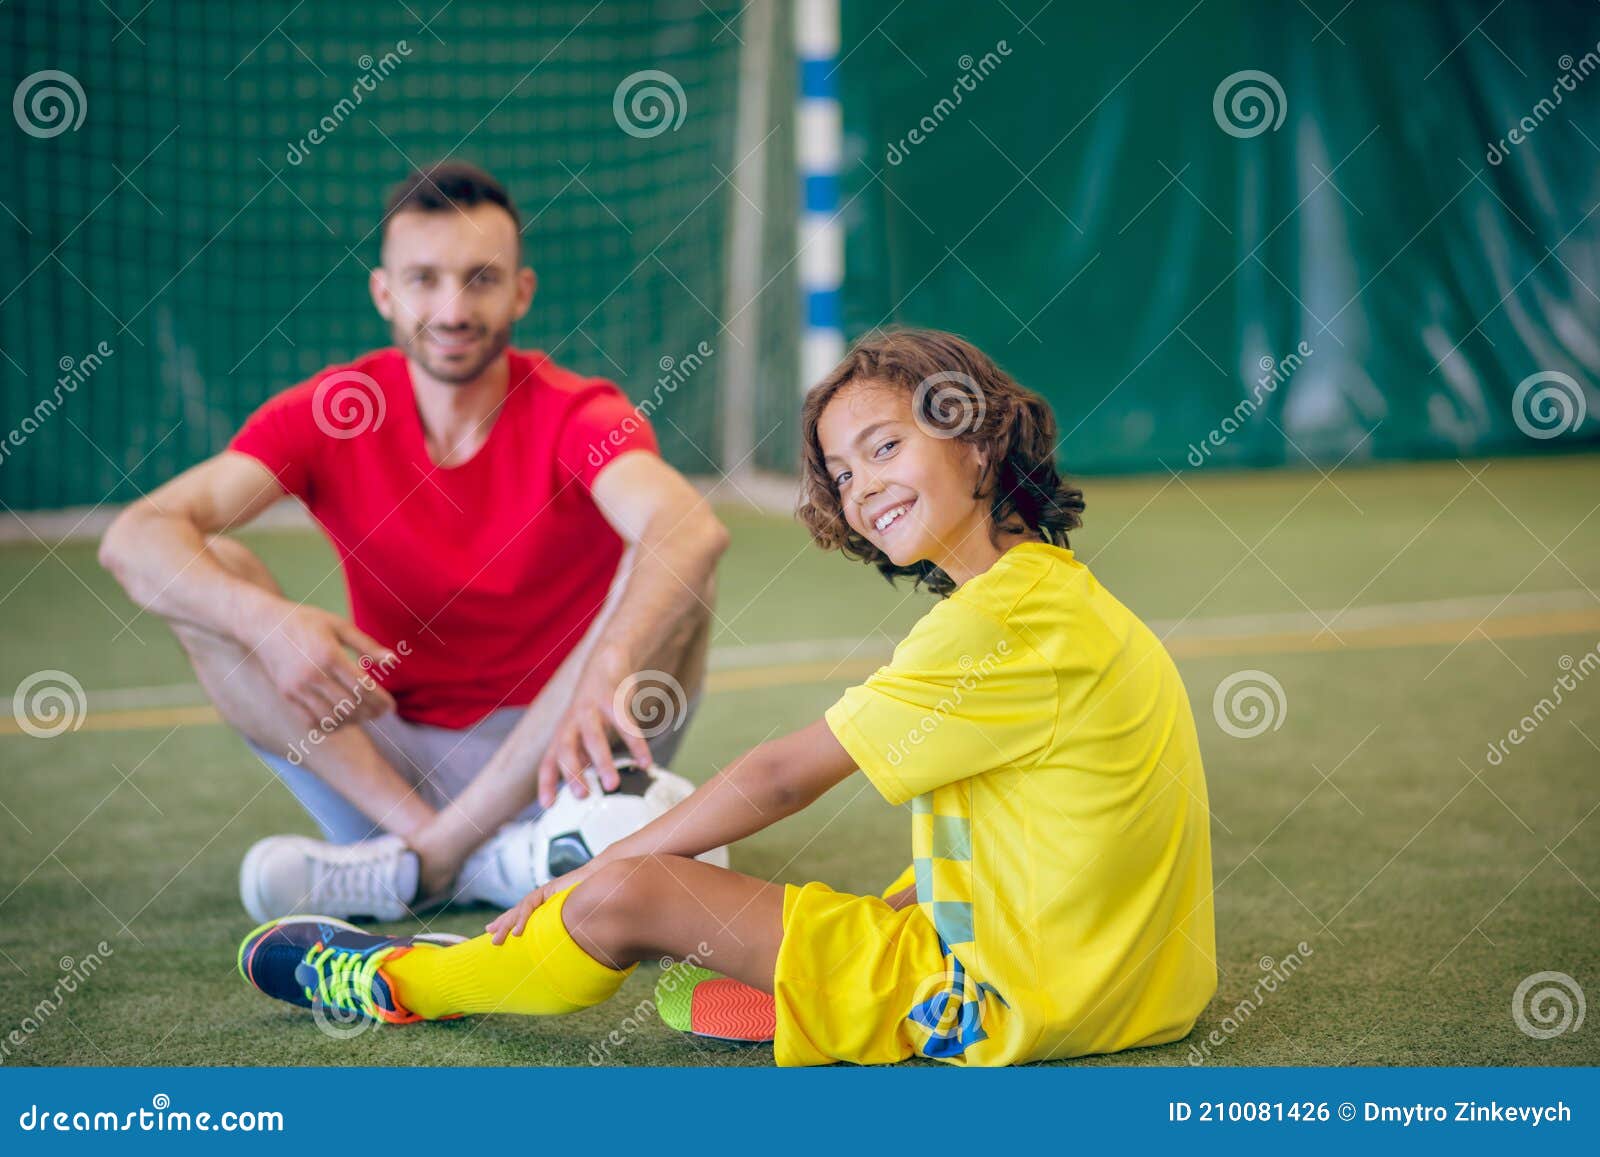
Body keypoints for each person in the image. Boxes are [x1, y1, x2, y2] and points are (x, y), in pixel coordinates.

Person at [237, 329, 1217, 1066]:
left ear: (976, 437)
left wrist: (592, 871)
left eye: (883, 447)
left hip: (1004, 1004)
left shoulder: (990, 621)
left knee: (625, 894)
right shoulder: (1064, 596)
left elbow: (781, 774)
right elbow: (1046, 834)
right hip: (1142, 997)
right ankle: (813, 997)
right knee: (766, 935)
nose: (861, 487)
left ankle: (402, 978)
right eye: (842, 472)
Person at [99, 162, 728, 923]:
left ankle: (415, 868)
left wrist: (610, 663)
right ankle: (462, 856)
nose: (453, 309)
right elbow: (134, 537)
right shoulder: (335, 409)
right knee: (215, 575)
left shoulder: (578, 414)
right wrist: (264, 621)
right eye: (424, 279)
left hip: (561, 754)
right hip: (389, 765)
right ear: (385, 293)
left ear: (521, 292)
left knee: (673, 568)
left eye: (480, 279)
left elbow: (690, 529)